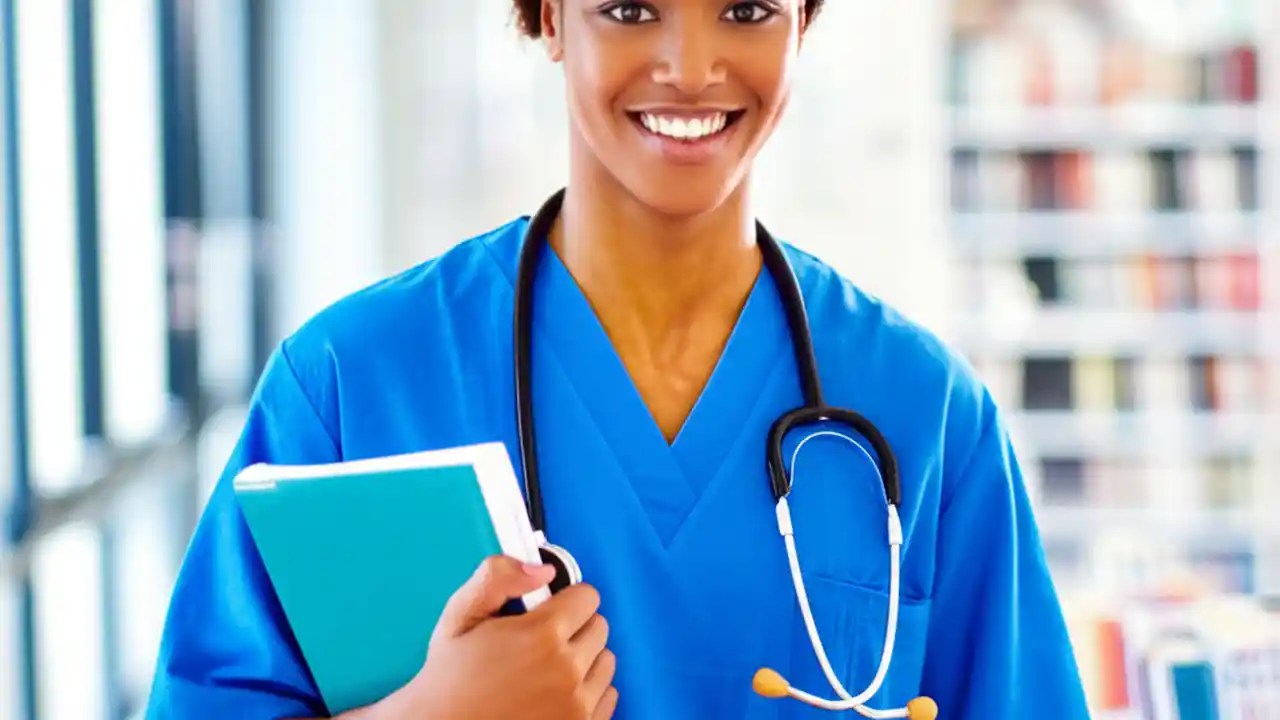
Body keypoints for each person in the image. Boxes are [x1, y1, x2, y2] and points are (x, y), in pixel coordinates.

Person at [146, 1, 1091, 718]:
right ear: (550, 16)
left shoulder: (926, 416)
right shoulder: (349, 386)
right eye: (631, 8)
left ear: (803, 19)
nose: (690, 66)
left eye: (748, 9)